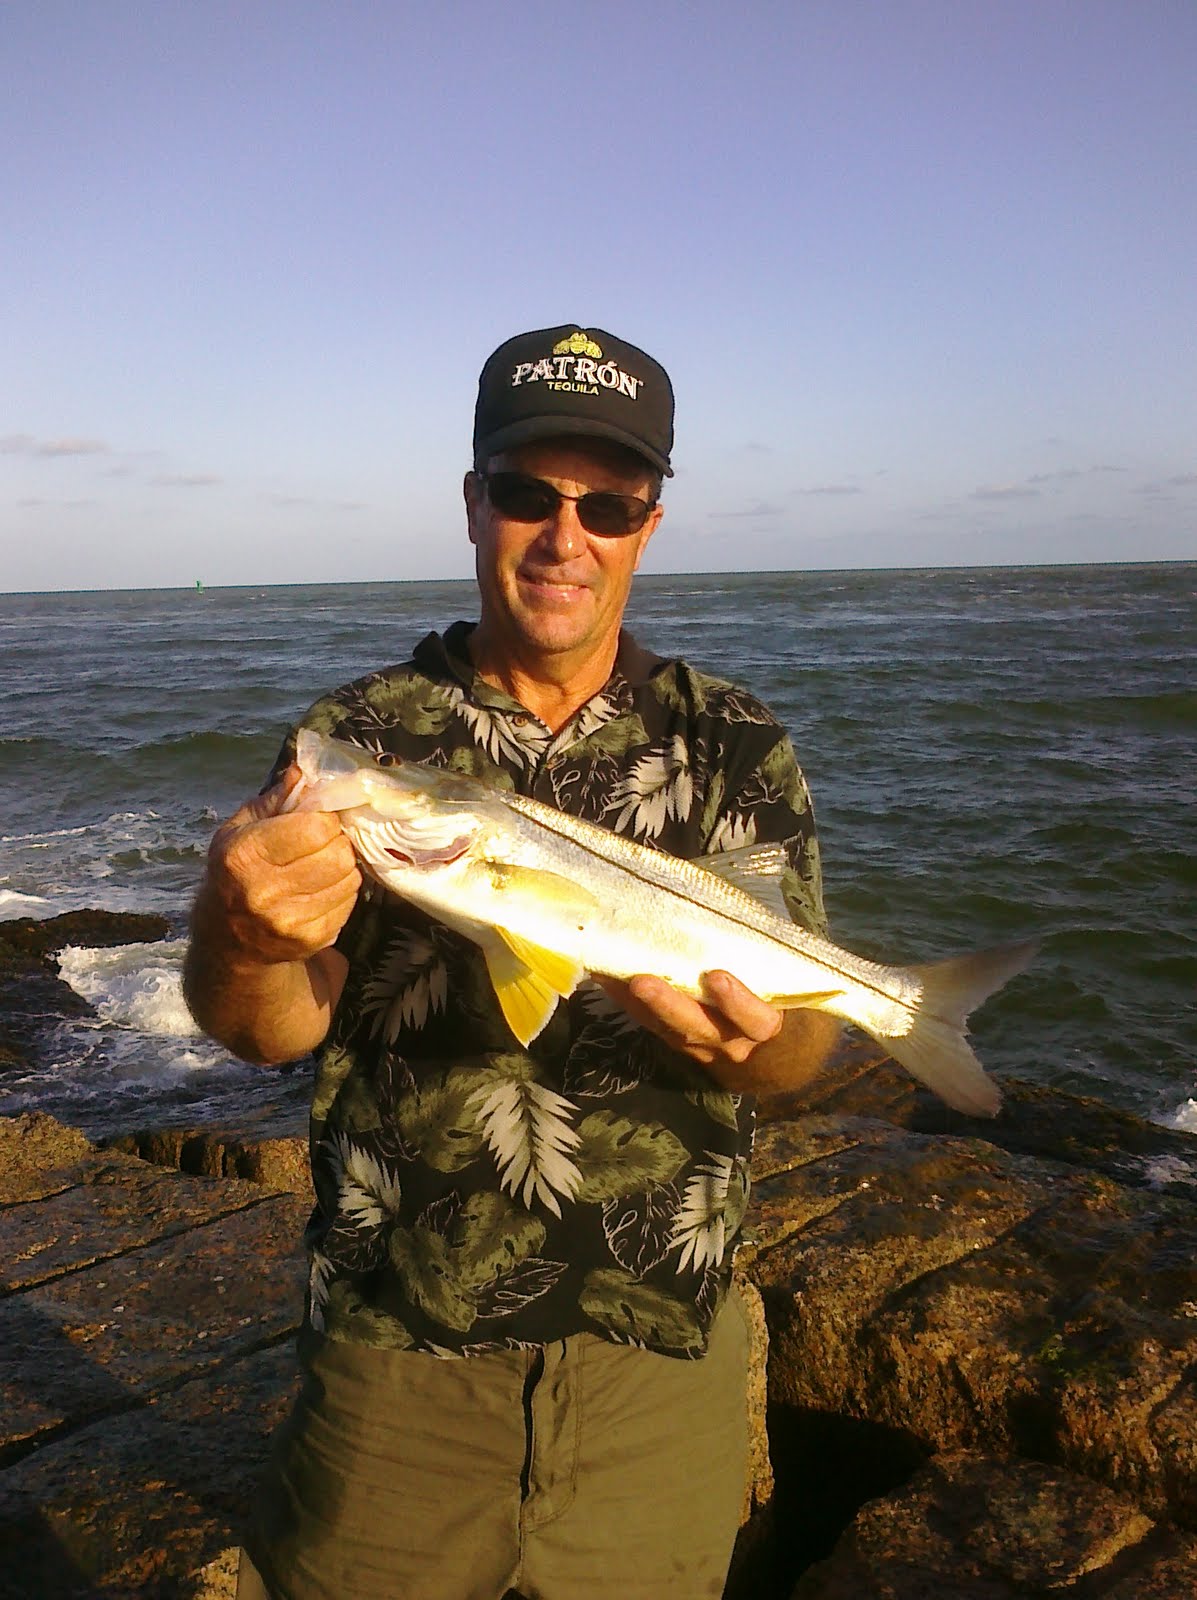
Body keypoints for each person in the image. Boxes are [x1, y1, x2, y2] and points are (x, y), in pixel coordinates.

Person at [184, 324, 841, 1600]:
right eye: (529, 493)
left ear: (649, 522)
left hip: (658, 1358)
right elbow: (265, 1029)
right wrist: (245, 932)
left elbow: (802, 1043)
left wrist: (774, 1041)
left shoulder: (736, 744)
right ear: (474, 502)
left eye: (609, 501)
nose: (565, 533)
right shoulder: (361, 735)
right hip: (393, 1355)